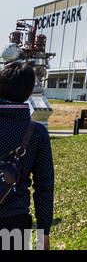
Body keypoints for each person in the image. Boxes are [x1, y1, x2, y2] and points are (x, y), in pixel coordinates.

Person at [0, 60, 53, 250]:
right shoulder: (36, 132)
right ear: (30, 92)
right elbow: (44, 186)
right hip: (15, 223)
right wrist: (43, 232)